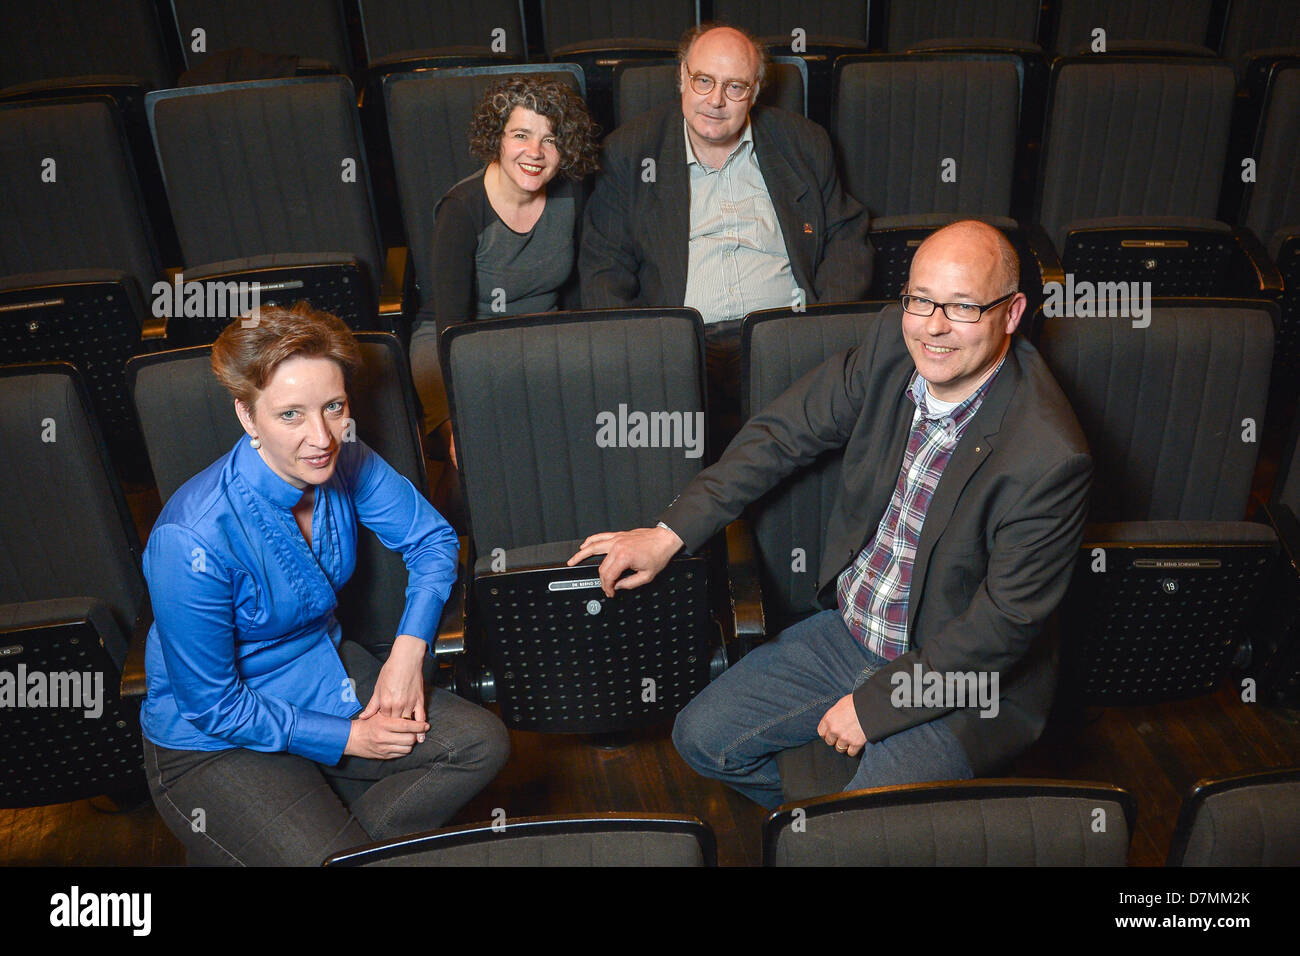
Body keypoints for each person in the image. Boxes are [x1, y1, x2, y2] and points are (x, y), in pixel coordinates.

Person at [569, 220, 1091, 808]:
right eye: (920, 300)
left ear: (1012, 312)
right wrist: (669, 534)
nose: (933, 327)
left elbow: (1001, 629)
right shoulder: (895, 344)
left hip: (960, 684)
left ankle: (851, 830)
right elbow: (781, 434)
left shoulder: (1049, 457)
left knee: (851, 832)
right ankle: (828, 822)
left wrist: (876, 707)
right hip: (855, 633)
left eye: (963, 307)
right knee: (702, 740)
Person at [140, 302, 510, 865]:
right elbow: (211, 705)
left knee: (480, 745)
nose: (321, 438)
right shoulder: (189, 537)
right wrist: (346, 740)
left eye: (334, 407)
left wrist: (408, 651)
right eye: (291, 415)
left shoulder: (349, 458)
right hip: (215, 739)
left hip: (322, 669)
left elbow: (434, 542)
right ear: (247, 416)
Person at [580, 23, 873, 447]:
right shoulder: (629, 153)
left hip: (784, 339)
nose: (715, 101)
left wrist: (820, 328)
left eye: (735, 87)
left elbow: (848, 234)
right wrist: (646, 355)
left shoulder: (803, 143)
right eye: (703, 81)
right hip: (685, 347)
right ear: (682, 75)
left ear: (754, 91)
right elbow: (603, 268)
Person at [409, 74, 601, 467]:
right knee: (482, 449)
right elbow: (451, 325)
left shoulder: (571, 194)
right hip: (461, 340)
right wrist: (460, 420)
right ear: (496, 138)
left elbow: (579, 290)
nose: (535, 151)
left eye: (550, 139)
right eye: (521, 135)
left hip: (541, 334)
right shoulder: (461, 208)